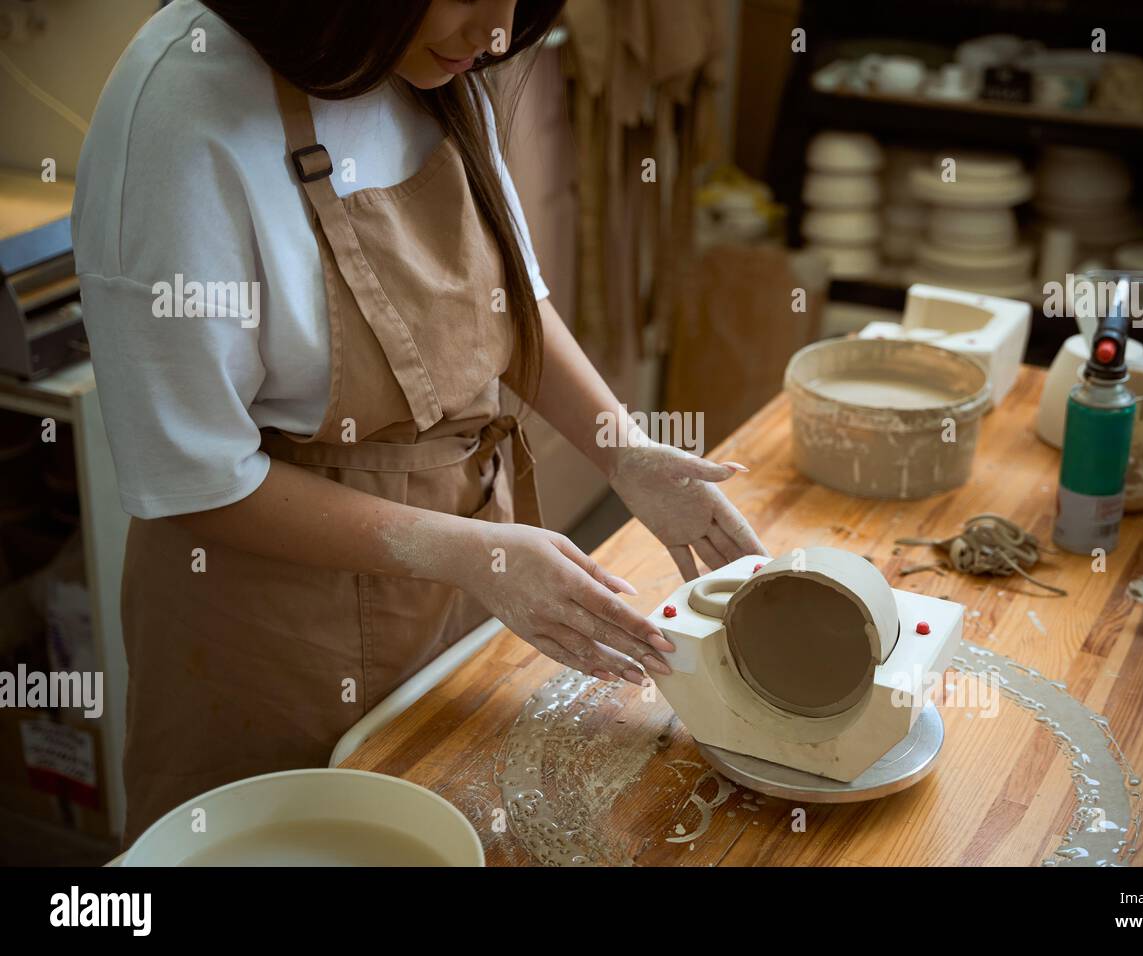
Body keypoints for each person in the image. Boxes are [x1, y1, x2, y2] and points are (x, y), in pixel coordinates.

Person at [71, 0, 766, 843]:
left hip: (465, 575)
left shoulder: (438, 62)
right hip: (272, 636)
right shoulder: (182, 116)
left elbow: (514, 303)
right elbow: (196, 483)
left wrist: (626, 454)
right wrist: (465, 553)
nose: (499, 33)